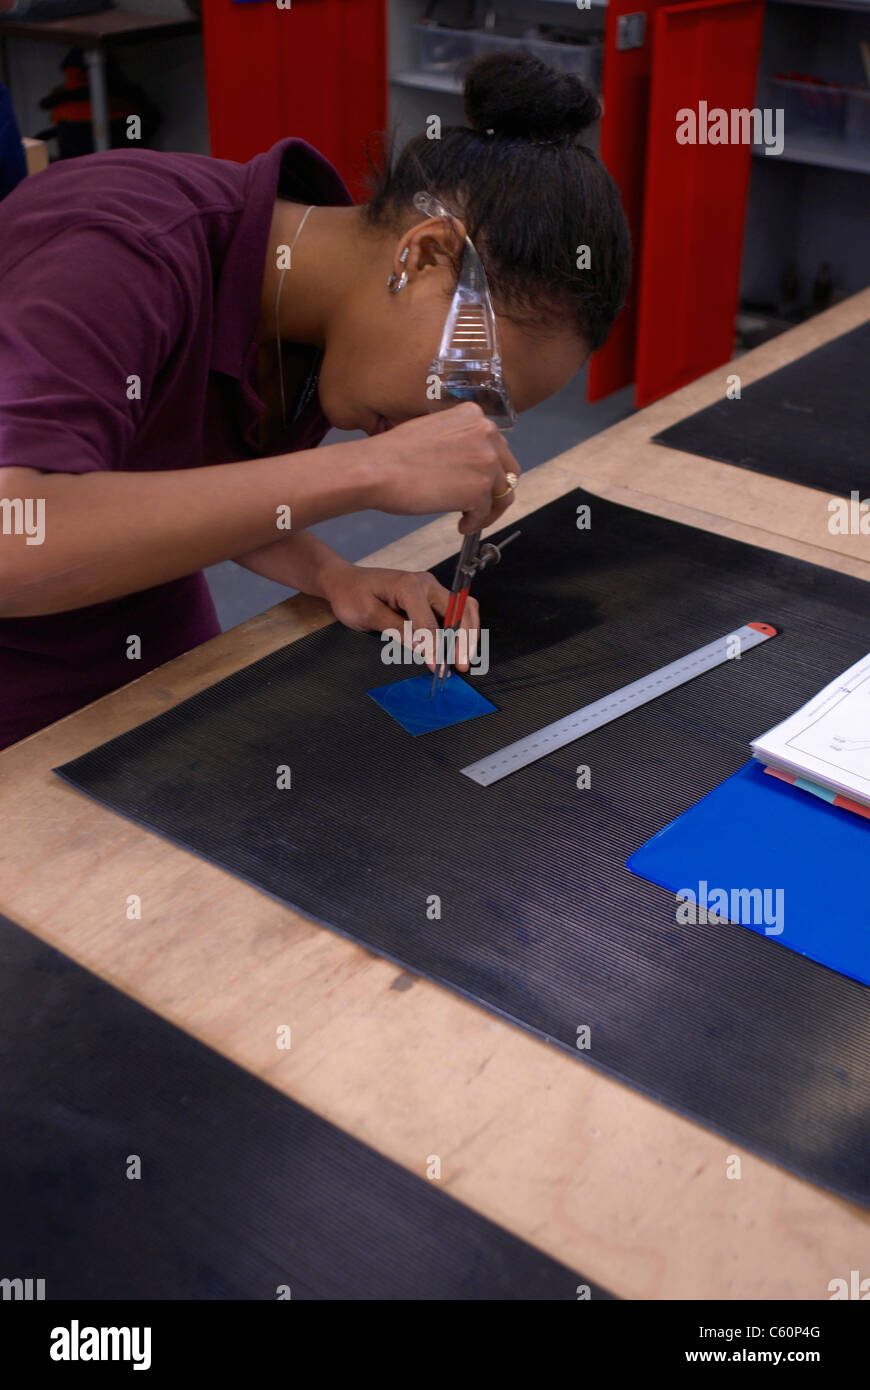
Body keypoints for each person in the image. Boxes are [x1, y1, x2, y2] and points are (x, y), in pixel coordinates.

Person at [0, 53, 630, 751]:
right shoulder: (117, 248)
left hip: (144, 629)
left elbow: (179, 479)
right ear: (421, 257)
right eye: (465, 388)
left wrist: (331, 574)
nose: (458, 427)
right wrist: (370, 471)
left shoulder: (316, 323)